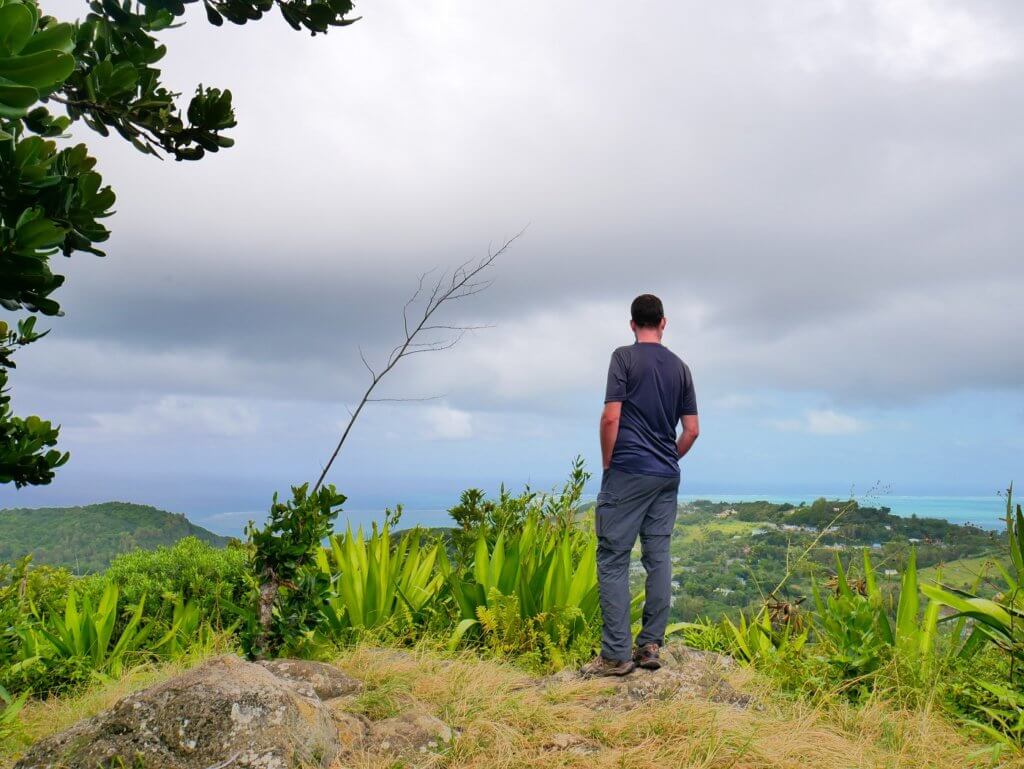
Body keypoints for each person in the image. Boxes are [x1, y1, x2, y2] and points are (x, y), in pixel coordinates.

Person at [581, 294, 700, 677]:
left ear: (632, 324)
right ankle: (650, 645)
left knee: (614, 558)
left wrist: (607, 463)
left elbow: (610, 418)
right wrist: (668, 459)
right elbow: (692, 430)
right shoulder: (680, 367)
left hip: (627, 470)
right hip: (665, 475)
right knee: (658, 556)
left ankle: (616, 656)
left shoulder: (624, 358)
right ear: (664, 322)